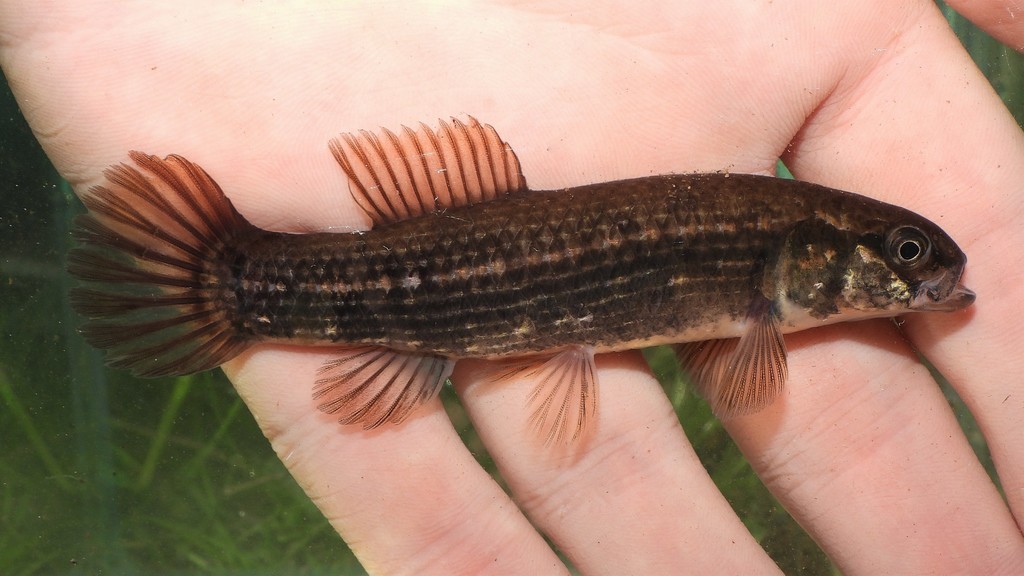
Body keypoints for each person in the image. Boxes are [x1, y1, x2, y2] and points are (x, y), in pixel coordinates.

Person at [2, 1, 1022, 573]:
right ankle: (240, 287)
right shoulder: (762, 280)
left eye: (911, 261)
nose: (921, 276)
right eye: (901, 258)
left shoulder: (767, 283)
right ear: (810, 257)